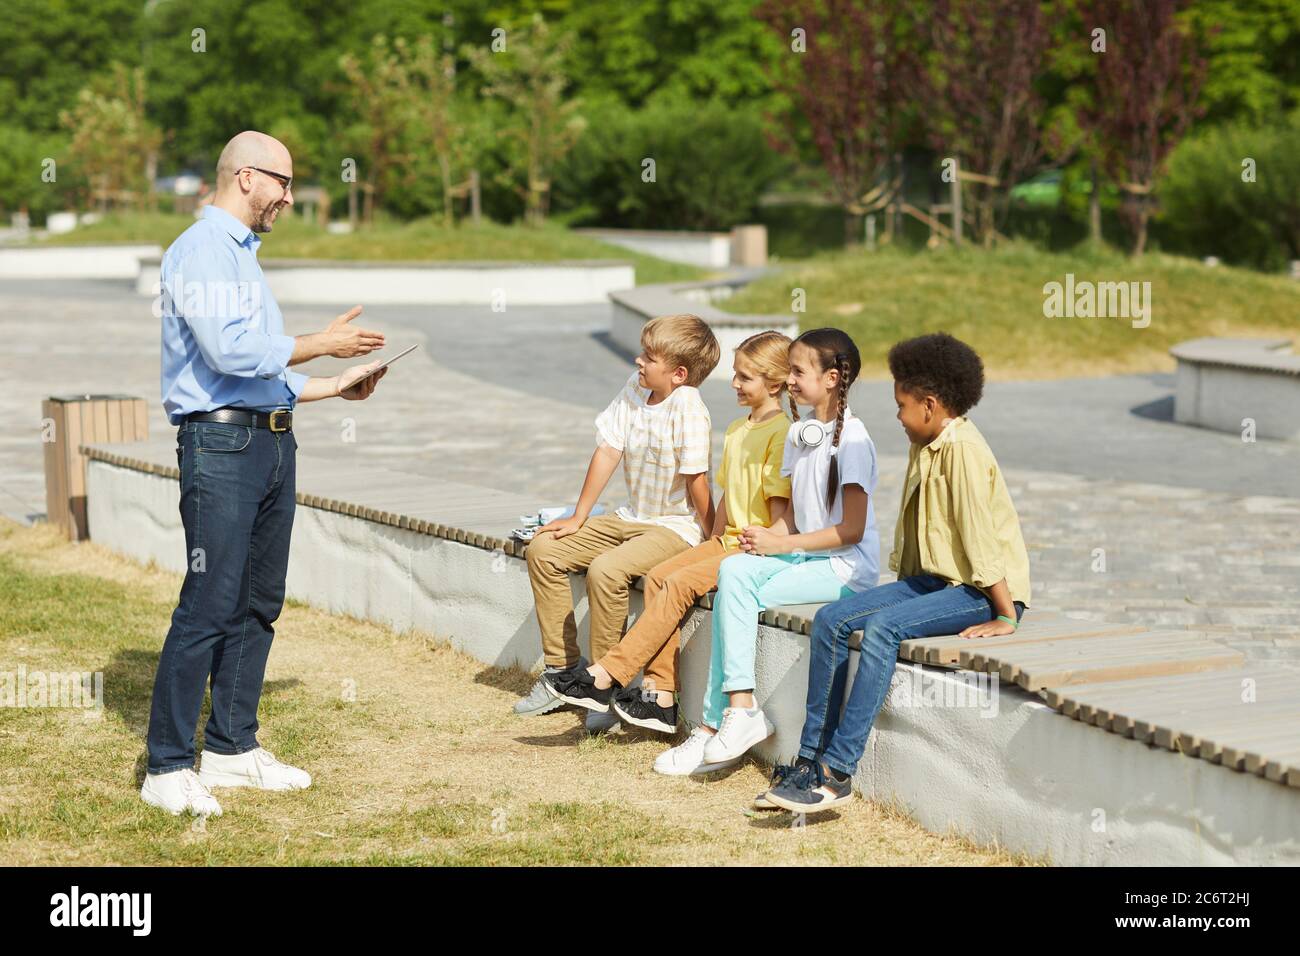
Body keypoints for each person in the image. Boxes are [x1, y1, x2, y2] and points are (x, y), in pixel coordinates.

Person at [141, 130, 390, 817]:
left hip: (269, 442)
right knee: (209, 603)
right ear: (247, 176)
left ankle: (229, 749)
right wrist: (322, 343)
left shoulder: (241, 257)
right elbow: (229, 352)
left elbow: (263, 371)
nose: (288, 196)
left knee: (257, 603)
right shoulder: (199, 251)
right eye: (283, 182)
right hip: (220, 450)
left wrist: (334, 383)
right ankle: (166, 766)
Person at [763, 332, 1031, 813]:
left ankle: (837, 770)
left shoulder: (963, 450)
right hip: (937, 582)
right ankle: (808, 759)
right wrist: (904, 589)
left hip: (979, 590)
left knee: (884, 630)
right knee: (832, 618)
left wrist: (1006, 614)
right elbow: (920, 534)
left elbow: (980, 538)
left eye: (902, 405)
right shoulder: (927, 443)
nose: (897, 415)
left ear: (929, 405)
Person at [542, 331, 793, 735]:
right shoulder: (738, 429)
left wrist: (770, 541)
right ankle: (659, 698)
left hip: (757, 550)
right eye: (735, 375)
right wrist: (711, 537)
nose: (734, 384)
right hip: (727, 541)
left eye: (745, 378)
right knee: (660, 576)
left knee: (673, 583)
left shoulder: (781, 434)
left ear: (776, 384)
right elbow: (726, 495)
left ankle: (607, 674)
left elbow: (781, 513)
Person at [655, 327, 880, 776]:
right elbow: (793, 518)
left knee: (738, 582)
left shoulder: (854, 441)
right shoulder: (801, 435)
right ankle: (738, 711)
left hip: (844, 570)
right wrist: (769, 538)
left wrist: (784, 543)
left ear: (833, 378)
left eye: (799, 372)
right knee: (736, 571)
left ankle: (714, 724)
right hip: (805, 557)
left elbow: (851, 530)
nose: (791, 380)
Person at [515, 314, 719, 734]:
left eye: (649, 356)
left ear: (678, 374)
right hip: (630, 517)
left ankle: (604, 687)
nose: (638, 361)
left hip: (674, 527)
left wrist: (712, 539)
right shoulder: (636, 387)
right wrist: (579, 515)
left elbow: (697, 480)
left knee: (608, 570)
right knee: (545, 549)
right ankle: (562, 671)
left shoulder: (689, 407)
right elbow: (609, 449)